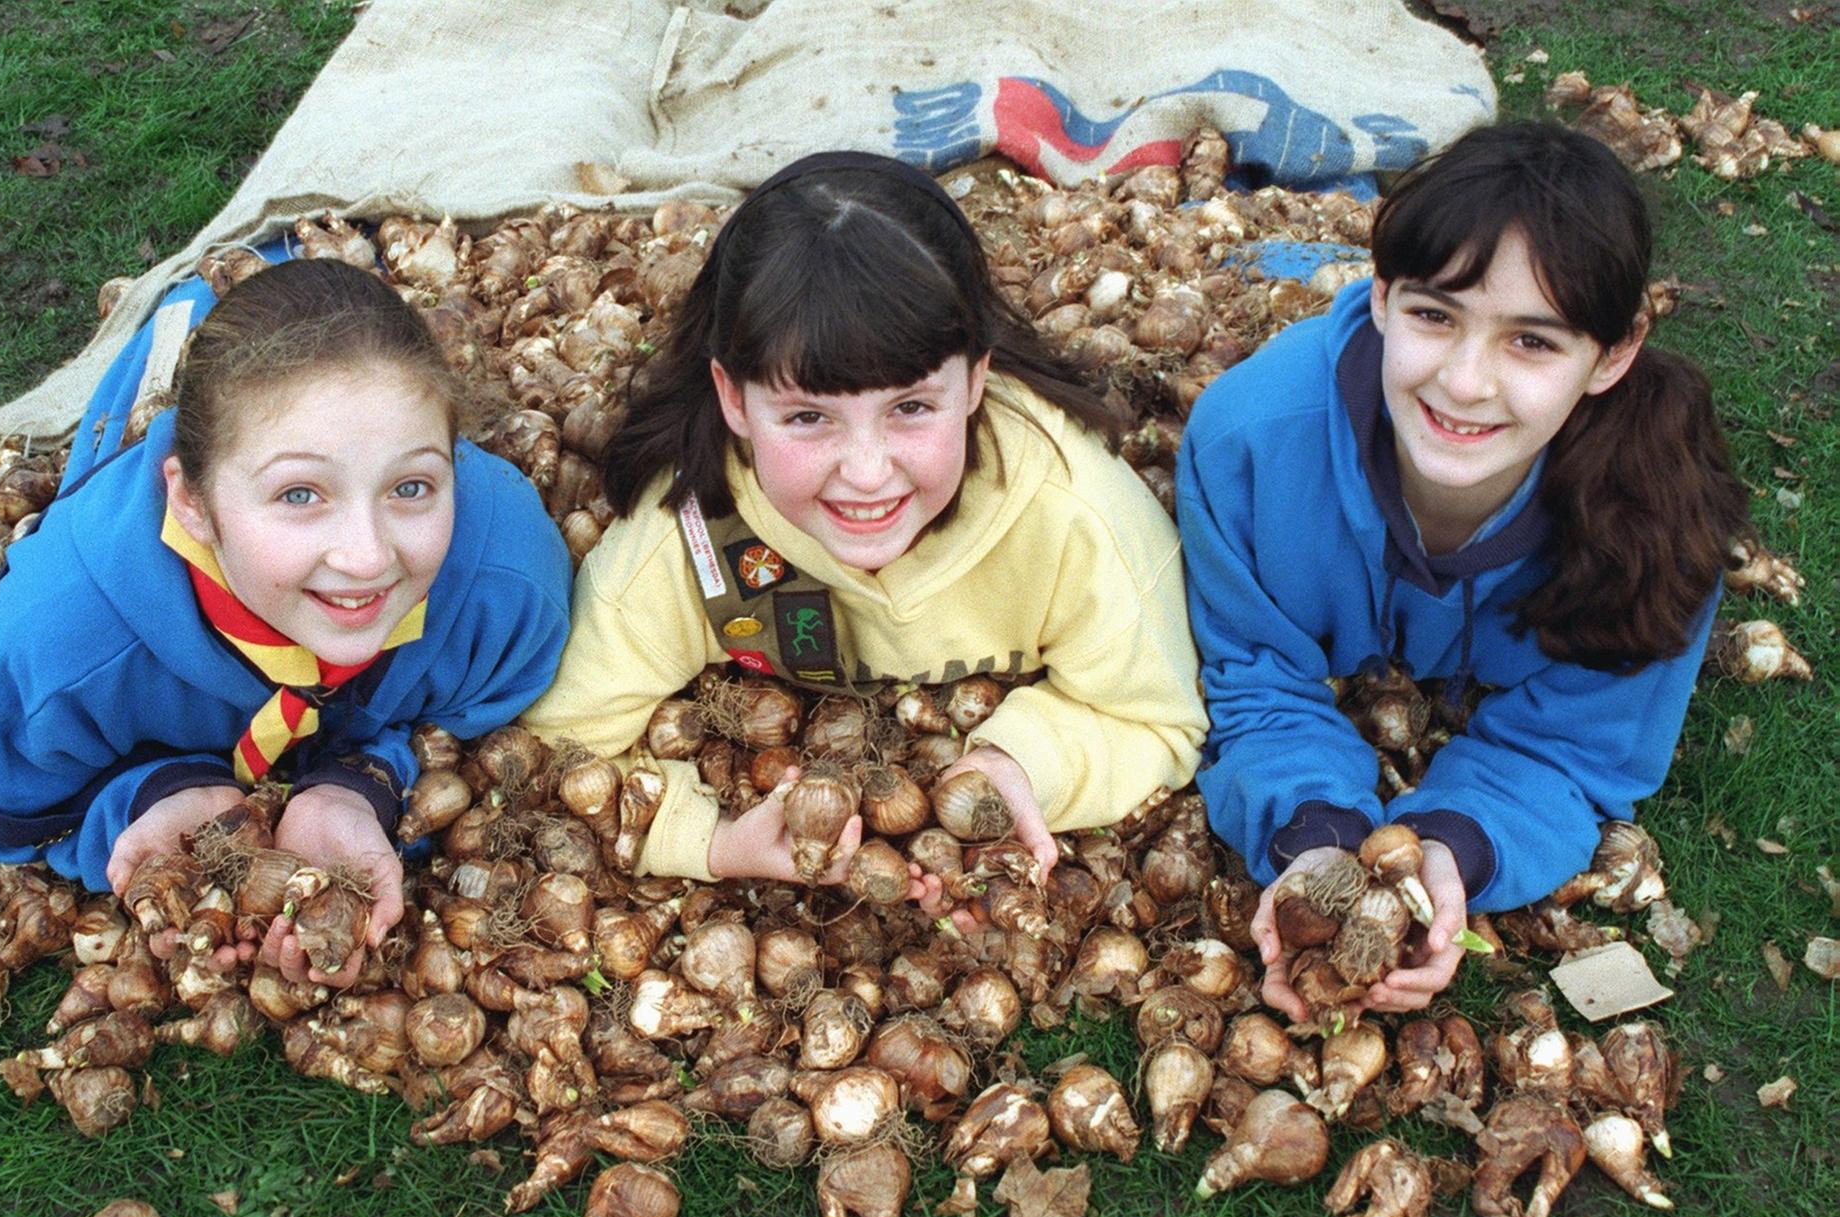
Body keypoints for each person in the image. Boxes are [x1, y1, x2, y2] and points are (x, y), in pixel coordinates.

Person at [520, 150, 1207, 904]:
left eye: (910, 407)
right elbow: (557, 747)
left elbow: (1156, 719)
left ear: (976, 378)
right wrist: (709, 839)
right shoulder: (683, 539)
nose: (868, 473)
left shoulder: (1077, 517)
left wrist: (1025, 763)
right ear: (734, 398)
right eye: (810, 417)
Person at [1175, 120, 1748, 1019]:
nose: (1467, 382)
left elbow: (1574, 749)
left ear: (1617, 351)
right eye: (1435, 316)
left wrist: (1450, 850)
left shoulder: (1659, 521)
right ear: (1379, 298)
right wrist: (1317, 843)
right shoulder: (1245, 442)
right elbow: (1255, 678)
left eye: (1534, 342)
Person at [0, 257, 572, 985]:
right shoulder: (62, 644)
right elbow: (21, 811)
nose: (366, 557)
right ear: (190, 503)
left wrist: (361, 783)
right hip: (119, 510)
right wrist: (153, 794)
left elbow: (484, 736)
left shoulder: (507, 588)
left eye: (411, 486)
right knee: (169, 346)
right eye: (299, 495)